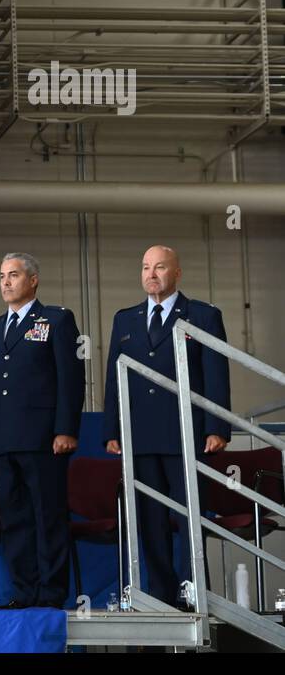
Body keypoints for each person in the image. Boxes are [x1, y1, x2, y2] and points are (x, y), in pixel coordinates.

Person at [103, 245, 230, 609]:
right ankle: (160, 592)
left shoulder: (203, 316)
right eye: (145, 267)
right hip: (139, 435)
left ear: (177, 273)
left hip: (186, 434)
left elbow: (215, 376)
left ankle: (192, 590)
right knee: (149, 518)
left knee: (188, 515)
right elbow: (114, 377)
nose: (151, 274)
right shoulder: (125, 319)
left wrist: (217, 427)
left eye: (159, 267)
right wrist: (112, 429)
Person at [0, 253, 84, 609]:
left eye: (14, 275)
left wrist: (66, 428)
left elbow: (70, 379)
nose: (6, 282)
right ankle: (23, 591)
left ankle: (51, 593)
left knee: (47, 517)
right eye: (2, 276)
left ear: (33, 280)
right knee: (15, 520)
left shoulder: (56, 319)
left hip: (44, 439)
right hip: (4, 440)